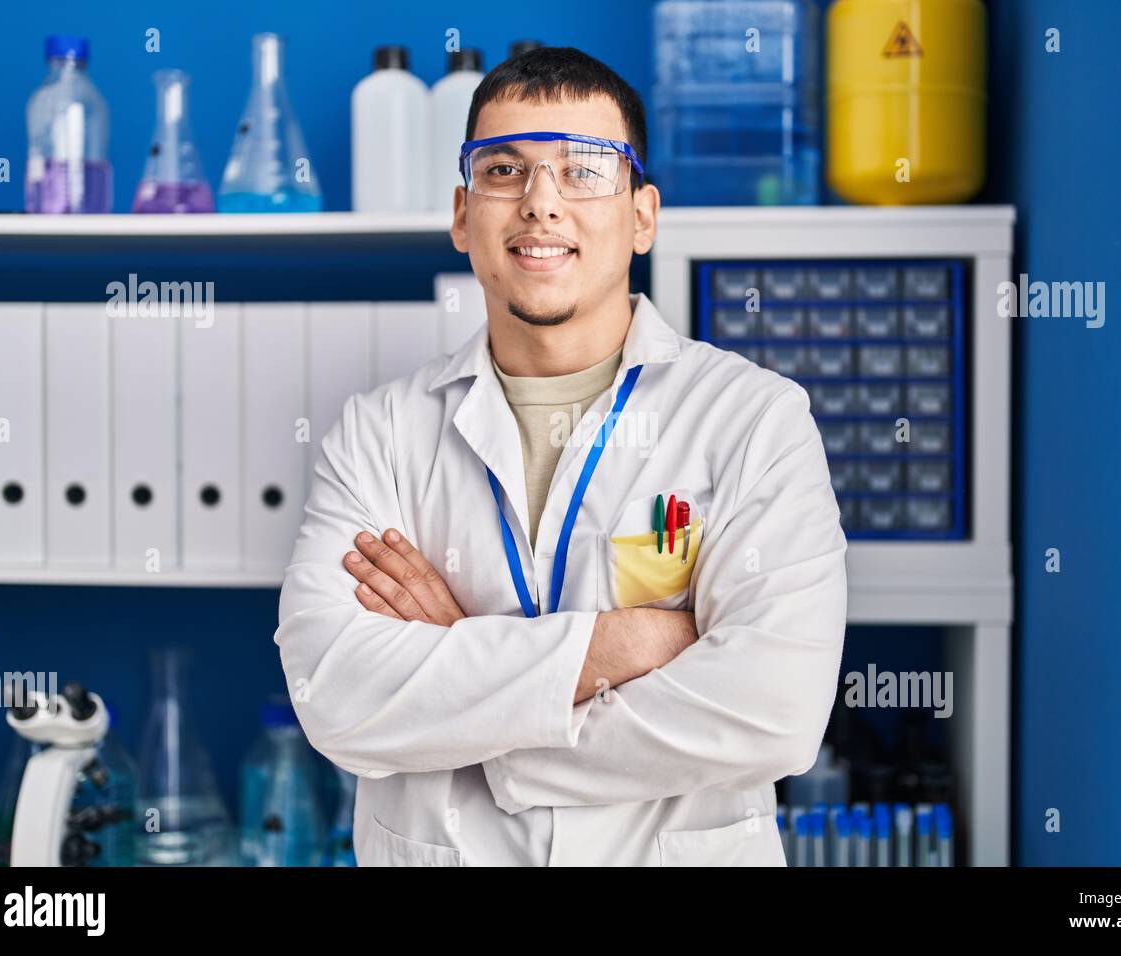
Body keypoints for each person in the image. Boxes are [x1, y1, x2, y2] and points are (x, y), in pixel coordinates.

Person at [274, 46, 847, 866]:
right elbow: (334, 692)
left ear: (642, 216)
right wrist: (621, 647)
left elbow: (774, 712)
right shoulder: (379, 434)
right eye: (505, 170)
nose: (541, 204)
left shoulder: (753, 419)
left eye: (584, 171)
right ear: (463, 215)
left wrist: (472, 698)